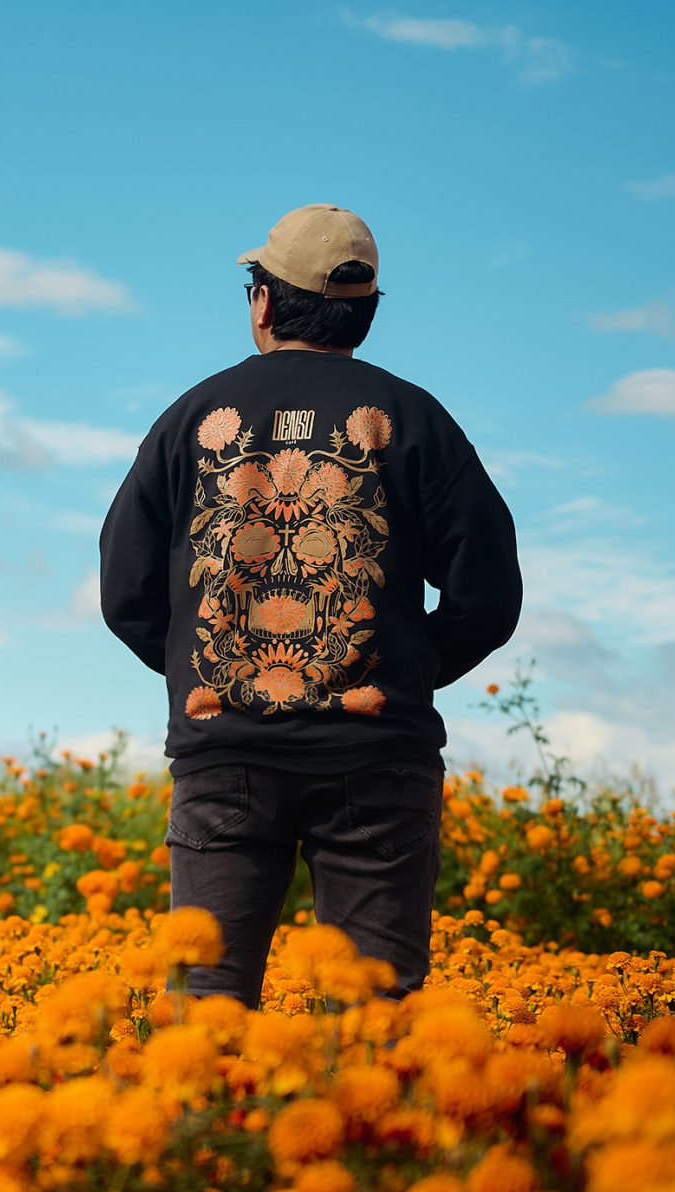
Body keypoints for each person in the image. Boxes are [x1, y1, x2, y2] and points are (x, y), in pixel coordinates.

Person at [99, 203, 522, 1010]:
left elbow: (125, 587)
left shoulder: (193, 418)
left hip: (223, 751)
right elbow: (489, 590)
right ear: (363, 312)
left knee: (208, 1009)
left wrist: (209, 664)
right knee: (371, 1017)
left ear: (262, 301)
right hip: (377, 754)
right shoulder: (415, 419)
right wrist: (409, 669)